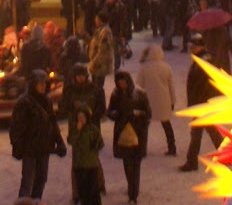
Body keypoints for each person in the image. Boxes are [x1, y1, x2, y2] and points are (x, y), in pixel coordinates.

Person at [9, 70, 67, 201]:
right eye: (40, 83)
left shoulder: (46, 101)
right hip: (29, 148)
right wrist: (17, 146)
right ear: (33, 84)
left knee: (41, 179)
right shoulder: (24, 102)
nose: (43, 86)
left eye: (44, 83)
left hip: (44, 147)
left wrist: (60, 142)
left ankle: (36, 202)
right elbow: (16, 127)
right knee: (28, 181)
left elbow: (52, 123)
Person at [106, 71, 151, 205]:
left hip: (138, 133)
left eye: (123, 81)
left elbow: (148, 113)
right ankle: (132, 188)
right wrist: (117, 114)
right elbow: (110, 111)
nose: (121, 84)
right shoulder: (116, 94)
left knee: (135, 165)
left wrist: (136, 115)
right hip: (123, 134)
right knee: (127, 165)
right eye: (119, 81)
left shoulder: (139, 94)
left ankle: (133, 194)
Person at [179, 40, 224, 172]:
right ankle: (226, 153)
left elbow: (204, 86)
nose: (191, 49)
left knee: (197, 133)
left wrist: (199, 103)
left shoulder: (203, 63)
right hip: (201, 102)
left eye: (193, 47)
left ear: (200, 47)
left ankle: (192, 161)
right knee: (211, 131)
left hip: (202, 103)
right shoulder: (201, 60)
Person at [136, 44, 178, 156]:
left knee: (144, 125)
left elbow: (139, 86)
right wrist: (172, 101)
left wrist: (137, 101)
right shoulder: (166, 67)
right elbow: (171, 86)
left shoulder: (144, 68)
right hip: (164, 100)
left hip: (148, 100)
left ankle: (141, 148)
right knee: (166, 124)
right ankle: (172, 147)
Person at [68, 105, 105, 205]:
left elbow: (101, 143)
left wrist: (95, 144)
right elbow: (71, 141)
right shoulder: (75, 129)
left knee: (94, 191)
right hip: (80, 165)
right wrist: (77, 131)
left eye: (83, 116)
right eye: (79, 117)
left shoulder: (93, 129)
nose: (81, 119)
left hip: (92, 164)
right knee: (83, 191)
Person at [86, 14, 115, 96]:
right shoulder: (99, 30)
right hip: (96, 63)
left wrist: (94, 62)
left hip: (100, 64)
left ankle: (99, 102)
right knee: (95, 87)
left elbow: (103, 50)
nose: (95, 20)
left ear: (100, 20)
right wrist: (85, 36)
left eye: (96, 18)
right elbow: (94, 43)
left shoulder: (105, 31)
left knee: (98, 88)